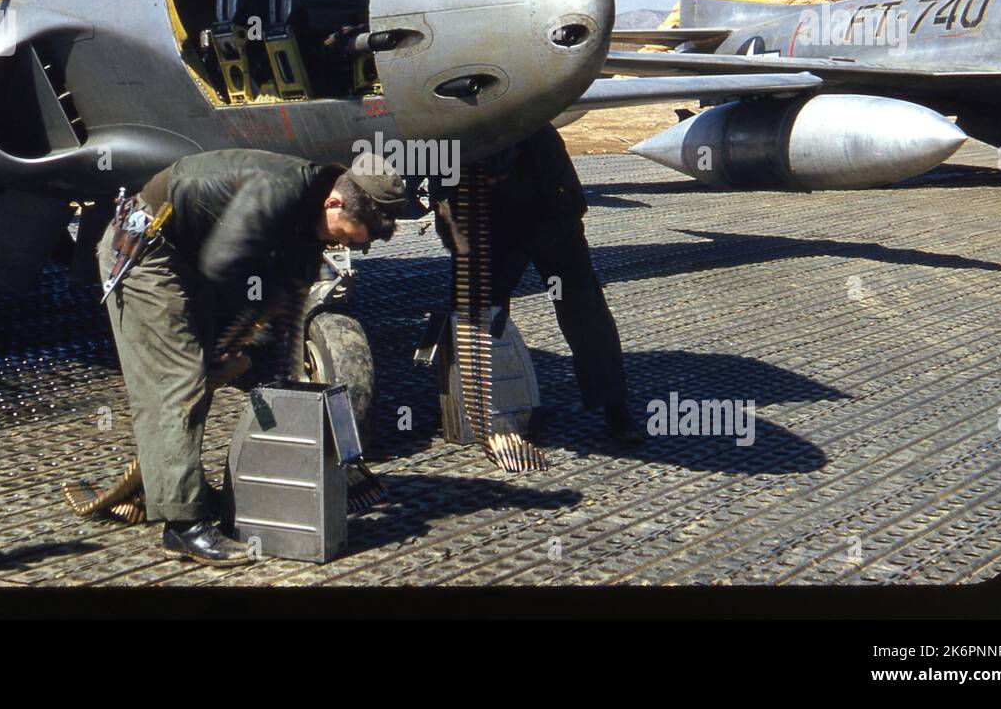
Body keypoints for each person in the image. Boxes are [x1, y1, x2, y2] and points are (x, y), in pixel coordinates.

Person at [98, 148, 407, 566]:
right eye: (346, 236)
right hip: (149, 253)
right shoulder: (277, 191)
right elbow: (225, 263)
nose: (340, 244)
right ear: (334, 202)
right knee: (181, 380)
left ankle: (167, 482)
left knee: (214, 369)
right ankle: (183, 526)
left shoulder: (311, 217)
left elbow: (291, 311)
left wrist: (287, 388)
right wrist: (246, 320)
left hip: (191, 258)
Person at [431, 125, 645, 446]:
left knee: (582, 306)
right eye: (483, 178)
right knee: (471, 307)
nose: (490, 181)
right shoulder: (446, 150)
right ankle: (495, 409)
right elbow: (448, 220)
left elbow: (571, 207)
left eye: (496, 177)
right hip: (488, 225)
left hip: (551, 221)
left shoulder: (541, 140)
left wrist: (519, 255)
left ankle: (614, 407)